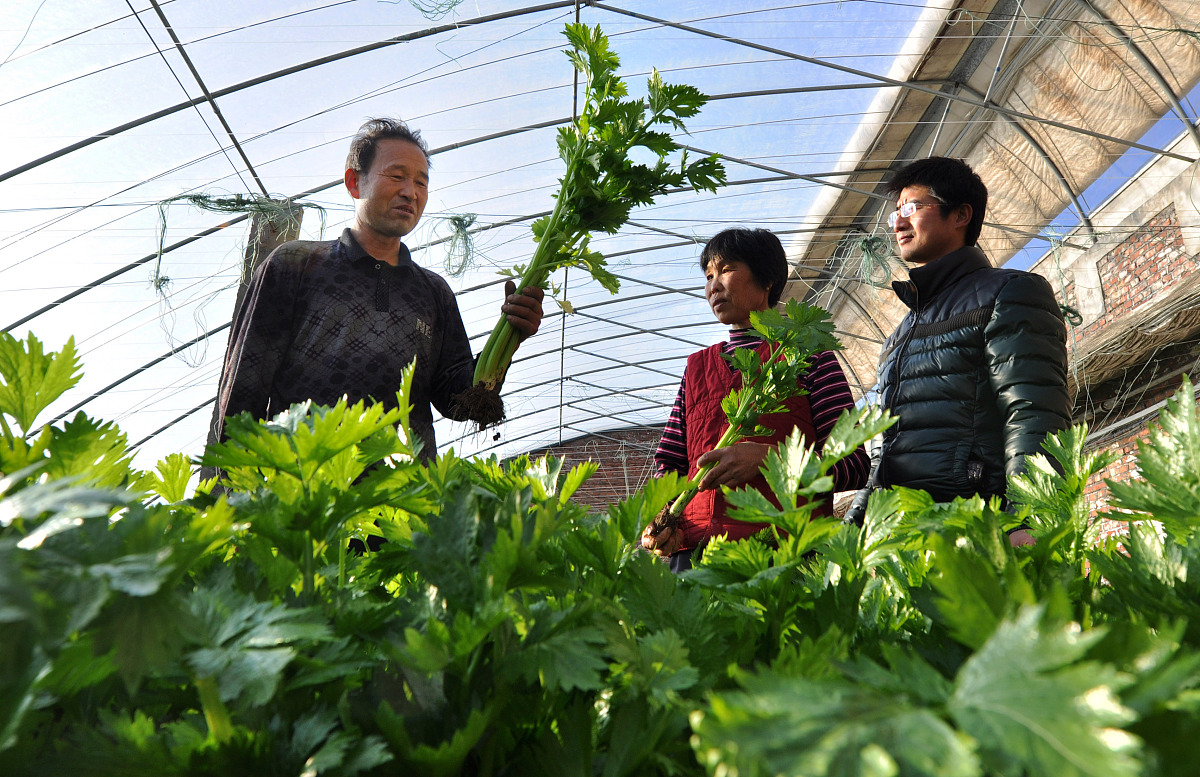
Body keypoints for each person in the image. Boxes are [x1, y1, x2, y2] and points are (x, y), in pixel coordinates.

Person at [209, 117, 544, 460]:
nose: (410, 192)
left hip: (405, 495)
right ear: (354, 182)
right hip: (306, 492)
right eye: (396, 176)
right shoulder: (295, 264)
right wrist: (238, 487)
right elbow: (243, 388)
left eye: (421, 182)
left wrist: (512, 335)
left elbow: (457, 402)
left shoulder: (434, 293)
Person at [846, 156, 1071, 544]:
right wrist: (853, 529)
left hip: (978, 527)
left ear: (961, 215)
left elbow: (1034, 412)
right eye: (895, 213)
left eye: (912, 208)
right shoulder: (898, 337)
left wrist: (1030, 520)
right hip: (907, 538)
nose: (899, 222)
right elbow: (885, 450)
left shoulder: (1009, 292)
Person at [641, 228, 870, 572]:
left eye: (727, 270)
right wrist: (665, 517)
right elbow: (669, 464)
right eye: (708, 276)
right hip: (696, 556)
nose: (713, 286)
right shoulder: (696, 369)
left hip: (785, 551)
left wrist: (773, 460)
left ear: (767, 280)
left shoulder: (808, 355)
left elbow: (853, 465)